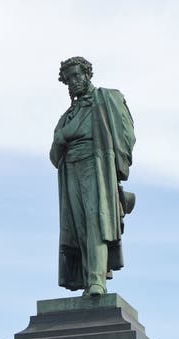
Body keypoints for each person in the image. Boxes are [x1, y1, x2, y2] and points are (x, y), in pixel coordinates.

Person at [50, 57, 136, 297]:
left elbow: (126, 133)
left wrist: (117, 167)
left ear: (87, 74)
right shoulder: (67, 116)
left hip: (96, 164)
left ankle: (97, 281)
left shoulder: (108, 98)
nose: (73, 82)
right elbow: (54, 155)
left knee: (96, 221)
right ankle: (89, 281)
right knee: (79, 228)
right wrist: (61, 138)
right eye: (68, 80)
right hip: (71, 168)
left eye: (77, 76)